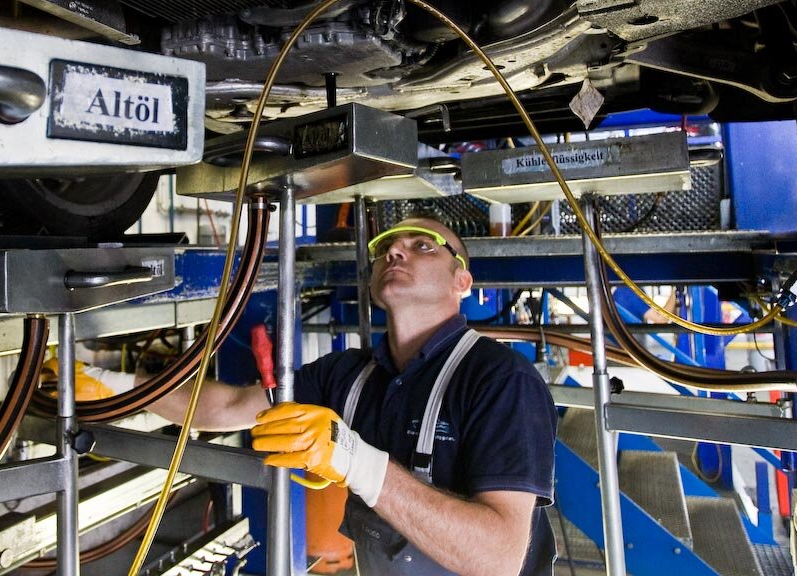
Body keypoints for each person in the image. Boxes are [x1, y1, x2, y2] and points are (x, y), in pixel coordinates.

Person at [78, 217, 558, 576]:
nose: (395, 252)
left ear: (462, 282)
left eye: (423, 246)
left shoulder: (500, 380)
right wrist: (112, 387)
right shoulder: (347, 376)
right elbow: (226, 408)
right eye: (387, 248)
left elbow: (499, 557)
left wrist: (355, 461)